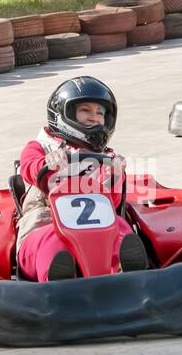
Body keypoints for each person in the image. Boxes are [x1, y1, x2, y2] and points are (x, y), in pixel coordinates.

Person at [16, 76, 148, 281]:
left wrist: (115, 175)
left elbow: (112, 203)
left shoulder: (107, 158)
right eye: (85, 110)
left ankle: (129, 271)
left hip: (99, 225)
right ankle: (58, 278)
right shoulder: (40, 148)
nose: (94, 117)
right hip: (46, 222)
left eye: (100, 112)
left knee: (121, 229)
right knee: (51, 244)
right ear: (64, 114)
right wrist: (49, 164)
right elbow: (29, 168)